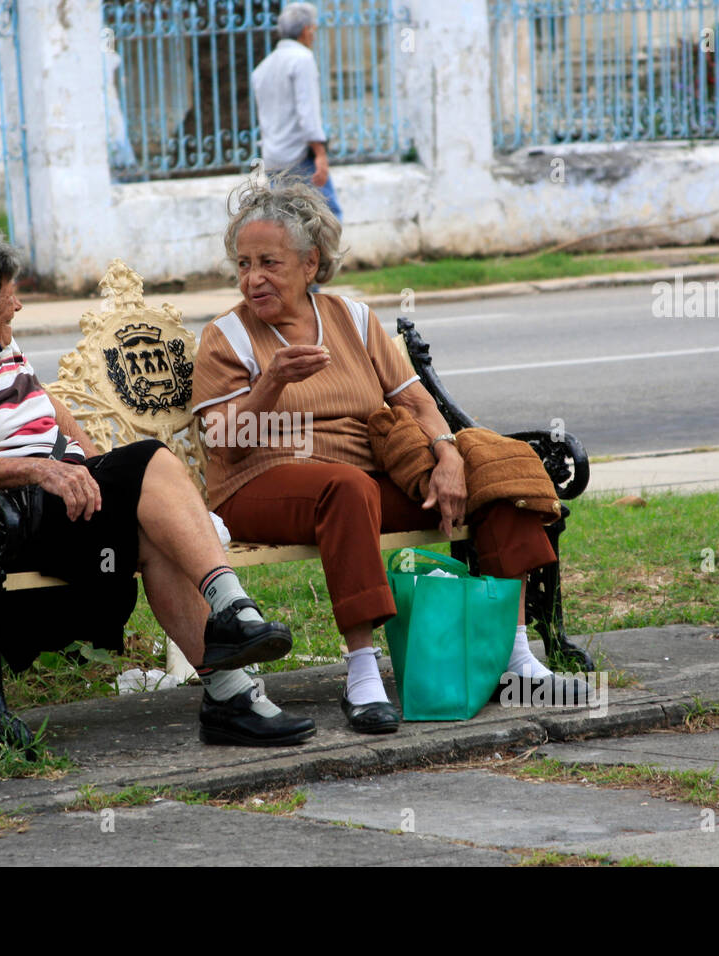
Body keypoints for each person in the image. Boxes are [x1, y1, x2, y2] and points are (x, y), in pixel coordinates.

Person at [0, 229, 314, 748]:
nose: (17, 303)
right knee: (151, 459)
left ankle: (231, 693)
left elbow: (40, 399)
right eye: (8, 294)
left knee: (155, 537)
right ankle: (235, 620)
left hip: (54, 499)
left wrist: (87, 457)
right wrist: (43, 470)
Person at [191, 179, 584, 735]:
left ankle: (514, 658)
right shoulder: (226, 336)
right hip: (258, 481)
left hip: (360, 484)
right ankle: (362, 673)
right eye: (244, 263)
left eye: (269, 263)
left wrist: (447, 455)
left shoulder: (352, 318)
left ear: (310, 264)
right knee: (347, 488)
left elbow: (416, 401)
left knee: (498, 473)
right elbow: (222, 442)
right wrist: (272, 382)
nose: (253, 278)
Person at [251, 3, 342, 220]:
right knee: (327, 218)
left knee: (287, 221)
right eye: (313, 30)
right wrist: (320, 154)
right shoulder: (303, 59)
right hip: (300, 157)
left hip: (273, 157)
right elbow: (307, 112)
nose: (313, 35)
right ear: (305, 31)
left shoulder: (263, 67)